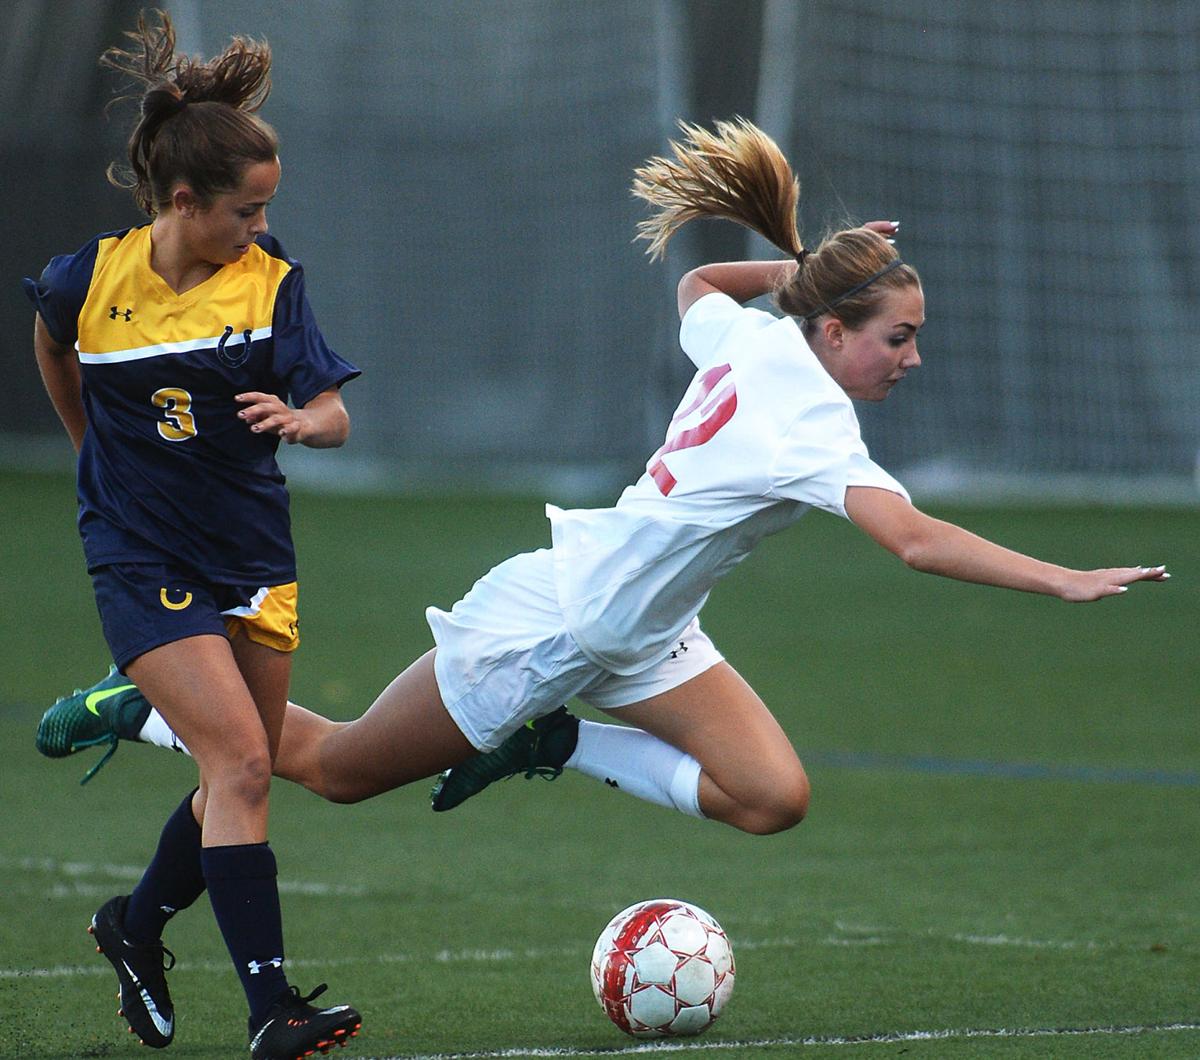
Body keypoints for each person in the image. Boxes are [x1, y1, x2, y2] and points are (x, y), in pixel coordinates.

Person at [40, 119, 1168, 845]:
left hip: (648, 628)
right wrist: (1061, 578)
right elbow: (914, 541)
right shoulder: (810, 418)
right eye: (900, 337)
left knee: (773, 798)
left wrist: (797, 273)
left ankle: (557, 742)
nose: (912, 360)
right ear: (832, 331)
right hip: (560, 621)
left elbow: (698, 285)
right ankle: (148, 711)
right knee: (331, 770)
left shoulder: (756, 342)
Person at [23, 12, 362, 1058]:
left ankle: (133, 924)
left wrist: (307, 419)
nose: (261, 227)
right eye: (246, 211)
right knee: (245, 766)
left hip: (254, 560)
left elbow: (336, 413)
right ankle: (274, 1014)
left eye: (268, 209)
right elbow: (54, 342)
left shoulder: (272, 285)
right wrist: (90, 447)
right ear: (182, 202)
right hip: (138, 554)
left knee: (235, 771)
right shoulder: (92, 279)